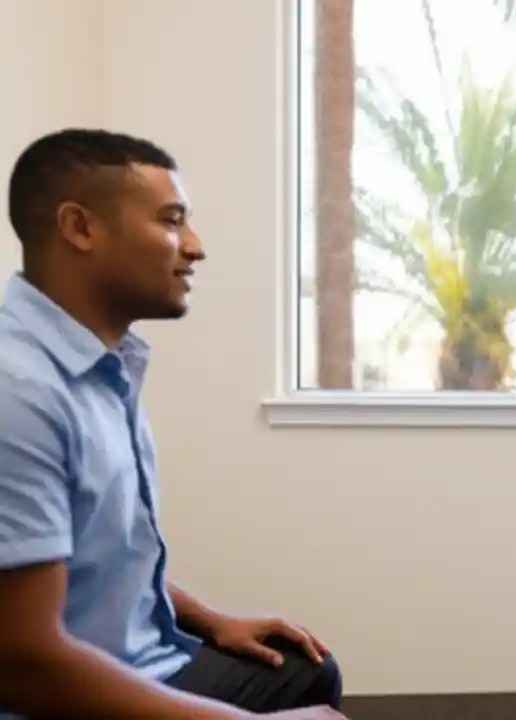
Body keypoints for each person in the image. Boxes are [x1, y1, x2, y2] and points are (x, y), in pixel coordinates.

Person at [0, 129, 345, 719]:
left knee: (301, 670)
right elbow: (22, 662)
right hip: (54, 698)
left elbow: (94, 558)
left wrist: (213, 623)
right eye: (172, 221)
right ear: (79, 228)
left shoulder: (103, 365)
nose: (195, 246)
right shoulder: (19, 390)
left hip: (138, 660)